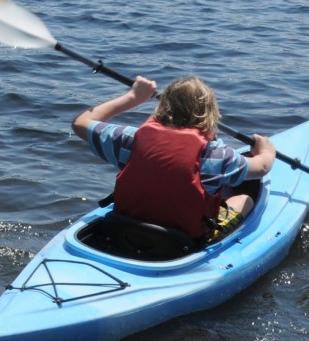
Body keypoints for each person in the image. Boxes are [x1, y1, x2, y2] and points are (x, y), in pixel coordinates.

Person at [72, 75, 276, 243]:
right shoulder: (217, 155)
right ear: (210, 113)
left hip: (123, 228)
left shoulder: (130, 140)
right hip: (181, 243)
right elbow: (261, 167)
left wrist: (133, 97)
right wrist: (266, 150)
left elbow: (80, 122)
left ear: (162, 107)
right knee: (245, 199)